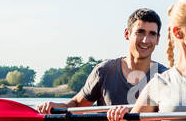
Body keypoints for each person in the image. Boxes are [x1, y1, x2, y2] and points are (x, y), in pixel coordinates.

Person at [36, 8, 166, 115]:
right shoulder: (104, 71)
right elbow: (77, 105)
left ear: (158, 39)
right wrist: (55, 106)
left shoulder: (166, 77)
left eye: (152, 34)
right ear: (127, 34)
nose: (145, 40)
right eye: (140, 32)